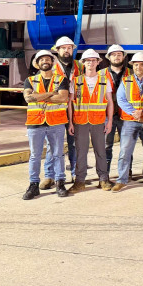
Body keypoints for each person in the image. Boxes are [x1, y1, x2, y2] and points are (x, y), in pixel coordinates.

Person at [22, 50, 71, 200]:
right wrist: (51, 94)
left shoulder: (61, 79)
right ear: (37, 63)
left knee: (58, 154)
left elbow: (63, 98)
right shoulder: (29, 80)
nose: (45, 61)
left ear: (52, 62)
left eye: (47, 59)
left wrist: (39, 96)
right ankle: (33, 185)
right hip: (35, 122)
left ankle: (60, 183)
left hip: (56, 122)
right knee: (35, 156)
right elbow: (29, 98)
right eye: (41, 59)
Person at [68, 49, 114, 193]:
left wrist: (110, 121)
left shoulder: (104, 80)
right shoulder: (75, 81)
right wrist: (70, 122)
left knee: (100, 151)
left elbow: (110, 102)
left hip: (98, 121)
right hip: (80, 122)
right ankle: (79, 181)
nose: (91, 63)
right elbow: (70, 103)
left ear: (98, 62)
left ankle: (103, 179)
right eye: (88, 61)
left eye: (94, 60)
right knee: (81, 152)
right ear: (83, 63)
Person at [41, 36, 81, 189]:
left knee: (74, 144)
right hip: (55, 112)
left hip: (74, 111)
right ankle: (49, 176)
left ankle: (76, 173)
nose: (66, 50)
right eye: (63, 48)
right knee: (53, 146)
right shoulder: (50, 66)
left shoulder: (80, 66)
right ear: (57, 50)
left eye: (69, 48)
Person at [113, 52, 143, 191]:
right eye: (136, 64)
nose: (138, 67)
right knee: (125, 151)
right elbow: (121, 100)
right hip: (130, 121)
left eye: (141, 64)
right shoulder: (126, 80)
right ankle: (122, 179)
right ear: (133, 66)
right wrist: (134, 112)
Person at [102, 44, 129, 176]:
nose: (117, 57)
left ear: (123, 57)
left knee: (126, 146)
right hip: (108, 116)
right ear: (109, 57)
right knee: (107, 146)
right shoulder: (101, 74)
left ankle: (126, 173)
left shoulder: (131, 73)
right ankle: (104, 174)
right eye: (114, 54)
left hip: (126, 116)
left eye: (119, 54)